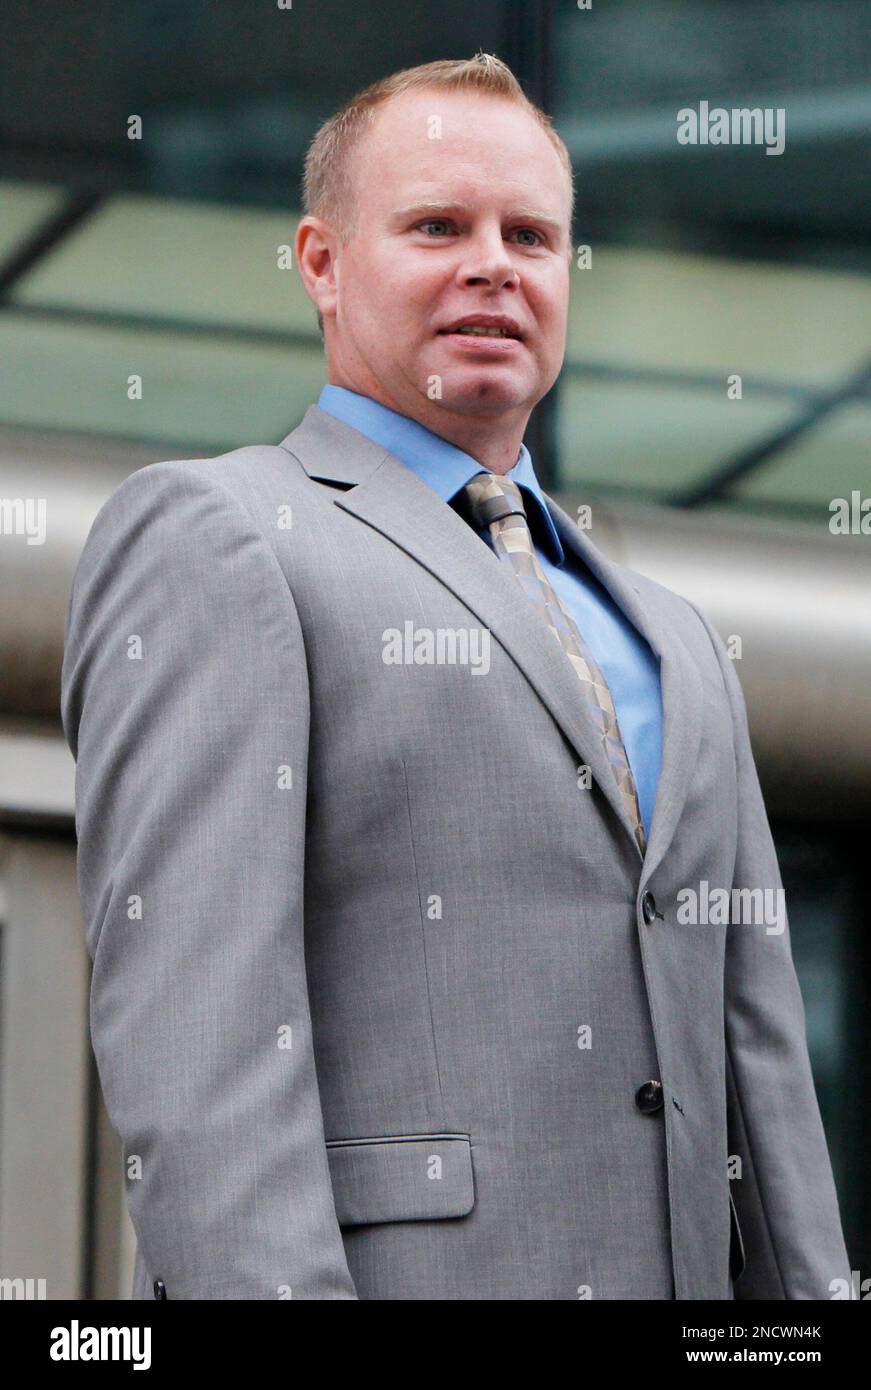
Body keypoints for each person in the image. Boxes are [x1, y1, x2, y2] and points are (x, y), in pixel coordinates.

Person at [61, 53, 849, 1300]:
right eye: (438, 225)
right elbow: (202, 1053)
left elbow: (762, 1073)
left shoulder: (679, 638)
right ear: (320, 263)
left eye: (530, 234)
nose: (495, 263)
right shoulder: (219, 536)